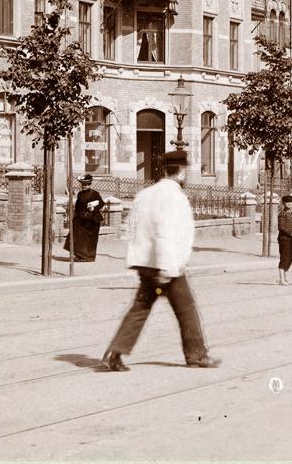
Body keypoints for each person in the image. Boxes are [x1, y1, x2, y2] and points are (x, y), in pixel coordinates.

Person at [99, 151, 220, 373]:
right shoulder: (175, 197)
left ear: (165, 169)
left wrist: (137, 259)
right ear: (182, 171)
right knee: (186, 309)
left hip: (145, 263)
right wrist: (167, 266)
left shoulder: (145, 194)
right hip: (166, 265)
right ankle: (197, 355)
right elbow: (164, 232)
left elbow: (131, 226)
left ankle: (114, 353)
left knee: (140, 308)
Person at [66, 174, 104, 262]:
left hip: (93, 220)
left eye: (86, 185)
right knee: (79, 238)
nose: (84, 186)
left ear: (90, 184)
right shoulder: (80, 194)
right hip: (82, 219)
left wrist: (94, 208)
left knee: (91, 239)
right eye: (83, 184)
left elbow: (101, 203)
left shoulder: (95, 194)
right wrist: (75, 215)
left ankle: (89, 257)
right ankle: (79, 256)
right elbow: (77, 206)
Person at [277, 195, 292, 284]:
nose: (289, 204)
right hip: (284, 239)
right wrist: (291, 233)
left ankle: (285, 279)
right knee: (284, 258)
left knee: (289, 258)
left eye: (291, 202)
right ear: (283, 203)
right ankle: (281, 279)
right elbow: (281, 227)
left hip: (291, 239)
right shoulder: (282, 214)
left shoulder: (291, 213)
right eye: (287, 202)